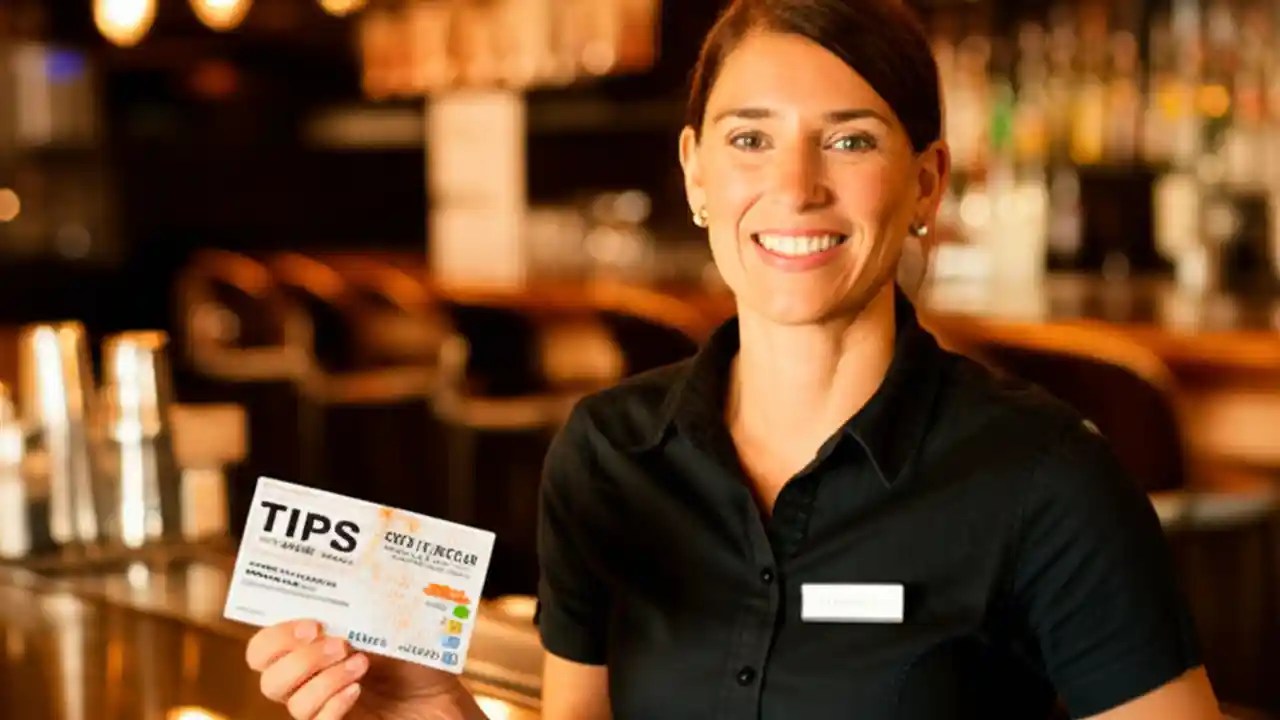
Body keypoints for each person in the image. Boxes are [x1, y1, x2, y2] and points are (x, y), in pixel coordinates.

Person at [243, 1, 1226, 718]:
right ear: (694, 174)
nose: (792, 187)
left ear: (925, 183)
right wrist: (432, 712)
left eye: (846, 140)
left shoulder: (1041, 476)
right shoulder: (607, 452)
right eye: (748, 139)